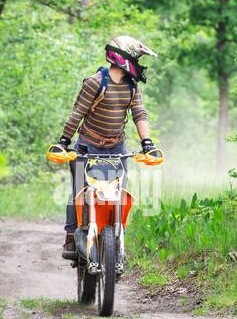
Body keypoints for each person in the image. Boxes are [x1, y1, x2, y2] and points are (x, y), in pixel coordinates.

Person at [51, 36, 160, 256]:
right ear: (123, 57)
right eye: (137, 58)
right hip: (87, 147)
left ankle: (116, 240)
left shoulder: (132, 87)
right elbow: (77, 113)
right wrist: (63, 142)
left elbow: (139, 114)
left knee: (118, 193)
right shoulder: (95, 82)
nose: (139, 64)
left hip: (116, 148)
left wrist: (147, 144)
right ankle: (71, 236)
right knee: (79, 192)